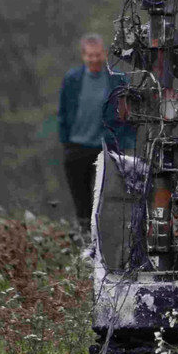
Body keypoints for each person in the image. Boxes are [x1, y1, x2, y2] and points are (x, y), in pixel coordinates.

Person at [57, 34, 135, 229]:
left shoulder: (117, 80)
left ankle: (104, 236)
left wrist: (125, 144)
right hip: (76, 146)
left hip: (106, 147)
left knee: (106, 197)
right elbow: (64, 111)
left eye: (98, 55)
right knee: (80, 197)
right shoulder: (72, 79)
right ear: (84, 56)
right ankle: (84, 236)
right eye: (90, 55)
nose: (94, 59)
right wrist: (65, 140)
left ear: (105, 54)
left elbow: (127, 115)